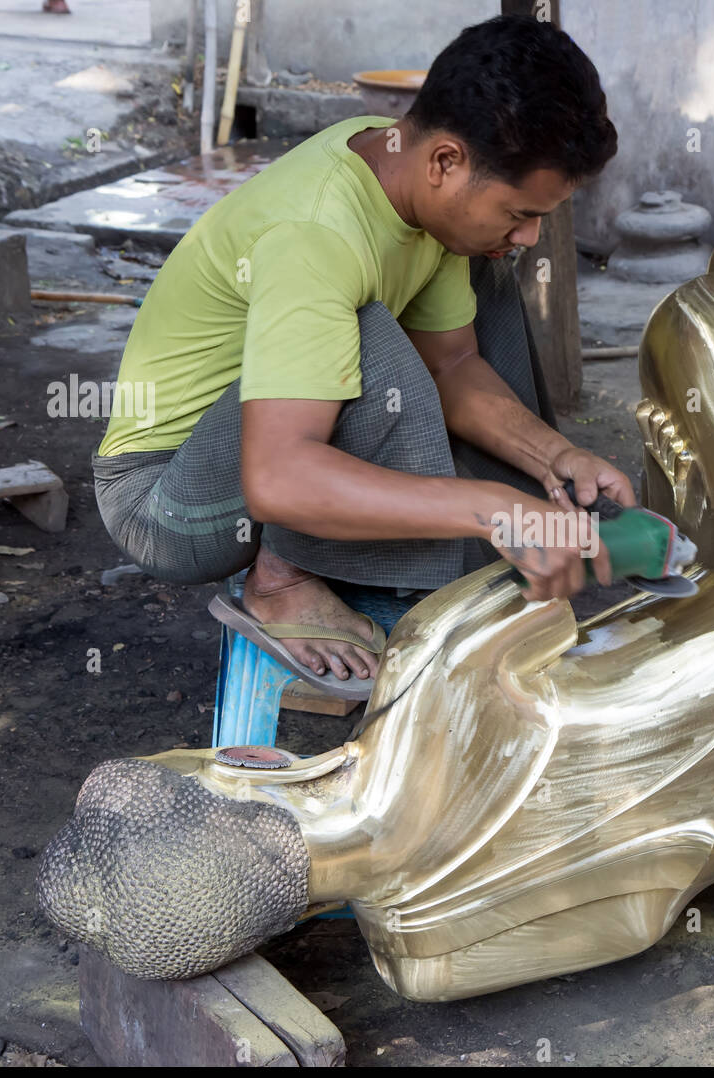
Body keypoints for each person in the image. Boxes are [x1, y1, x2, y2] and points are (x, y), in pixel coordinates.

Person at [92, 14, 626, 689]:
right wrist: (490, 507)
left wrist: (557, 457)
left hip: (253, 450)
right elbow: (277, 477)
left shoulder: (398, 171)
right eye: (521, 211)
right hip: (167, 501)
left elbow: (451, 365)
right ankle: (280, 581)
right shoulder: (317, 234)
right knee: (373, 338)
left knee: (489, 274)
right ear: (444, 162)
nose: (530, 234)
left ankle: (482, 533)